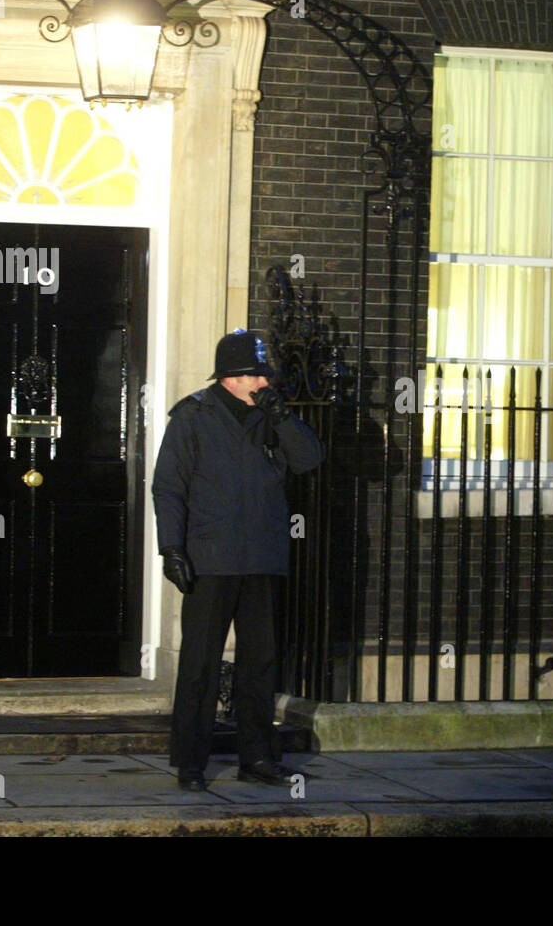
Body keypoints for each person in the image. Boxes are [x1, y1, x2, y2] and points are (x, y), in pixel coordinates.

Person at [152, 329, 324, 790]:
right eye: (256, 377)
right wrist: (172, 548)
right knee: (201, 663)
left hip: (263, 555)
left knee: (260, 663)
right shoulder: (193, 416)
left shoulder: (271, 416)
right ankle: (191, 762)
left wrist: (284, 418)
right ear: (231, 378)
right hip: (210, 556)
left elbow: (310, 460)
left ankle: (257, 758)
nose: (264, 384)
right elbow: (168, 486)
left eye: (266, 376)